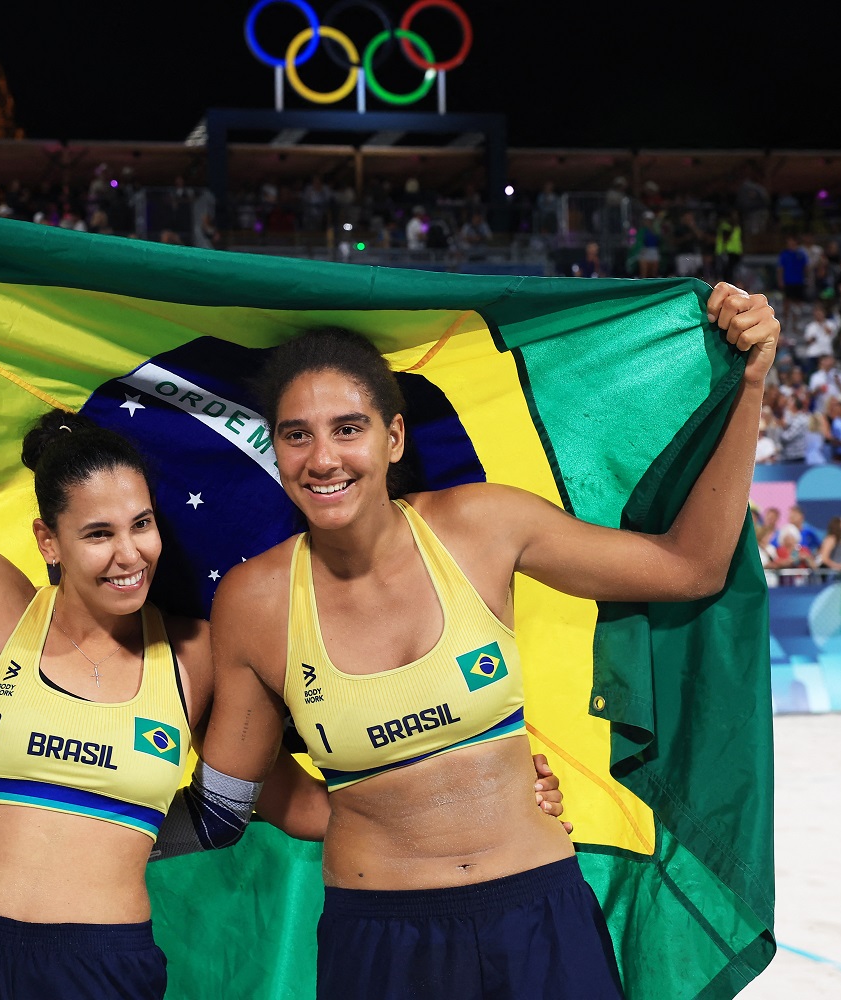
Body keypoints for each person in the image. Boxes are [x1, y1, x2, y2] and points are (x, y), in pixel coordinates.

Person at [0, 180, 578, 1000]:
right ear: (48, 543)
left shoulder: (199, 652)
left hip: (103, 965)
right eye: (98, 533)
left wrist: (461, 809)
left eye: (142, 525)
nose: (129, 553)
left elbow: (242, 801)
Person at [180, 283, 777, 998]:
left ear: (392, 437)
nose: (322, 458)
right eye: (295, 434)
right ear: (272, 447)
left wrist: (750, 381)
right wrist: (377, 804)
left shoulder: (480, 527)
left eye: (348, 428)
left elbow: (690, 567)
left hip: (538, 918)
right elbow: (232, 800)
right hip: (379, 939)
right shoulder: (256, 598)